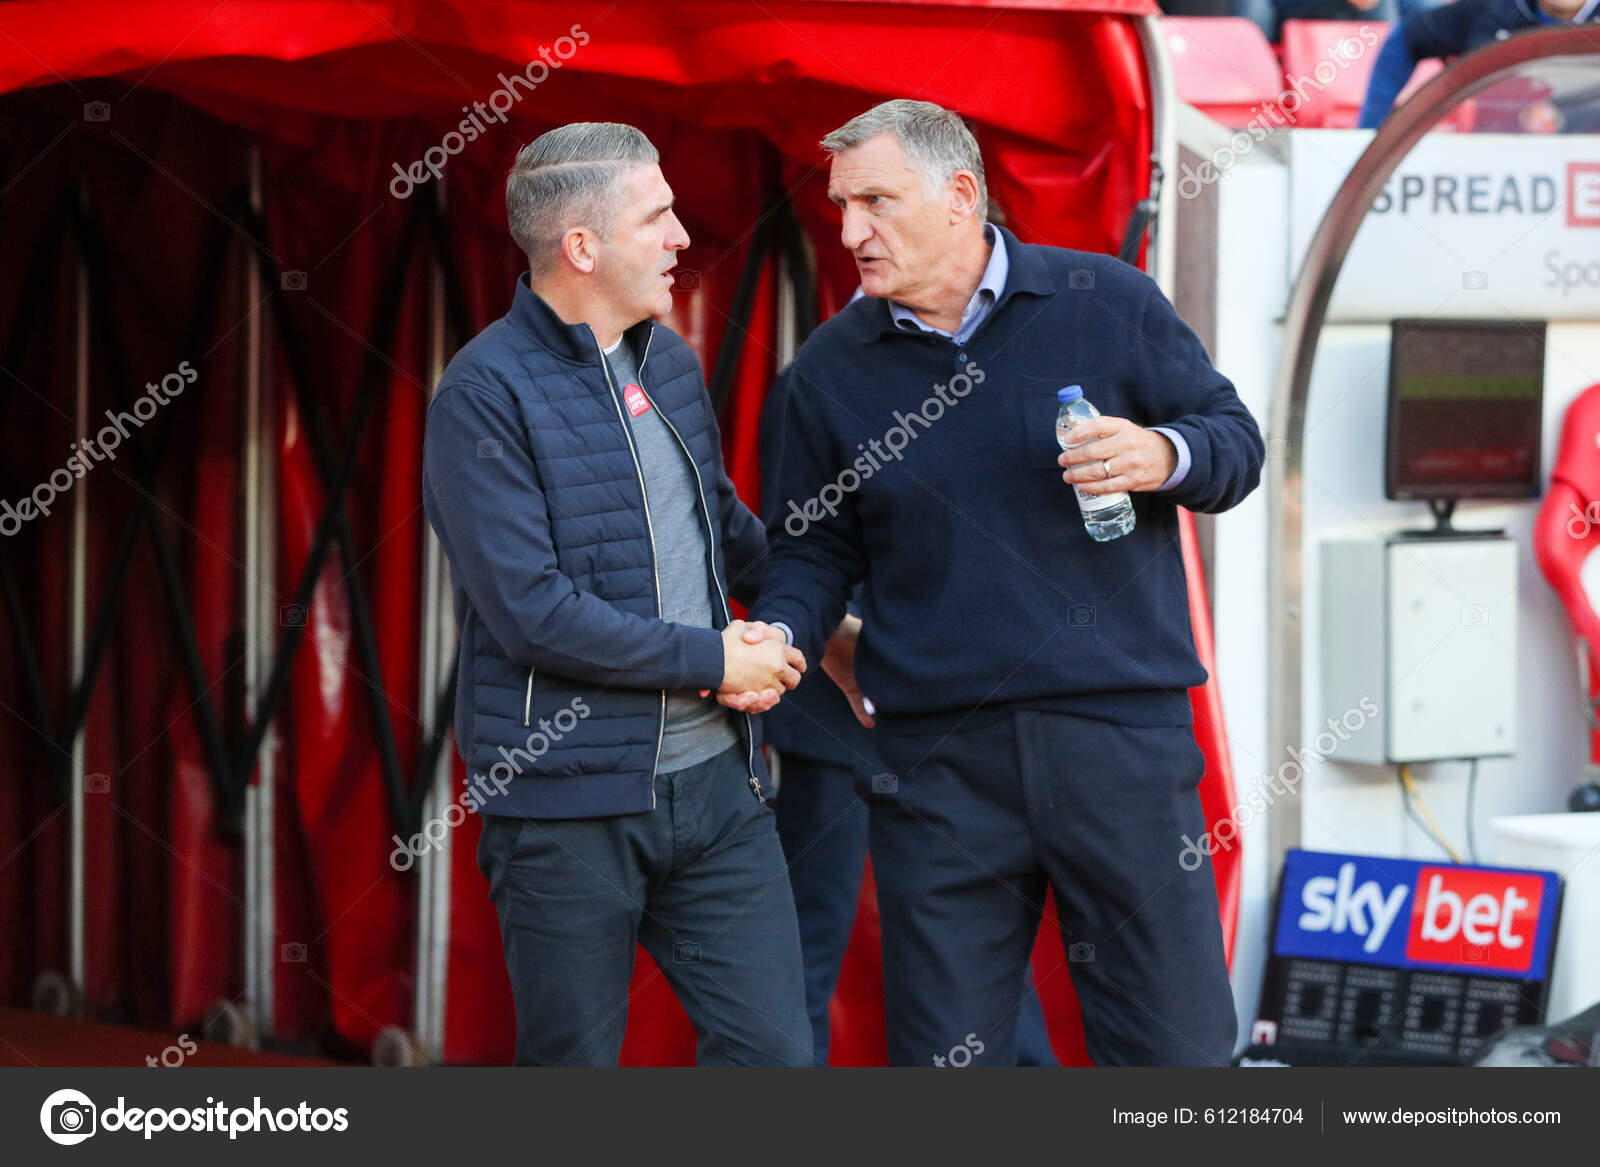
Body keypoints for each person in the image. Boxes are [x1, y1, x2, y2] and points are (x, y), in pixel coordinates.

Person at [752, 99, 1264, 1066]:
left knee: (1180, 1051)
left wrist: (1164, 452)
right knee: (951, 1063)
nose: (851, 229)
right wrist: (782, 637)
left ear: (959, 195)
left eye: (875, 200)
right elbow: (810, 551)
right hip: (937, 762)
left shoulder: (1106, 300)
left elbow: (1235, 443)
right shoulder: (829, 370)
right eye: (841, 204)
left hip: (1120, 742)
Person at [421, 122, 812, 1067]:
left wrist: (814, 619)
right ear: (582, 247)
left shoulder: (668, 362)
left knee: (777, 1058)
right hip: (567, 808)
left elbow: (724, 531)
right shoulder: (482, 393)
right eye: (659, 216)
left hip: (720, 790)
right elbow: (531, 612)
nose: (683, 236)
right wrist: (718, 659)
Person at [761, 360, 1059, 1067]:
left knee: (981, 937)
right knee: (806, 937)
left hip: (954, 717)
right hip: (836, 718)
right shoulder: (818, 378)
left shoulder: (987, 375)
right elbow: (792, 543)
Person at [1359, 0, 1598, 127]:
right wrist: (1371, 131)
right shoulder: (1493, 8)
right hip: (1495, 172)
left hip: (1584, 172)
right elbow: (1406, 40)